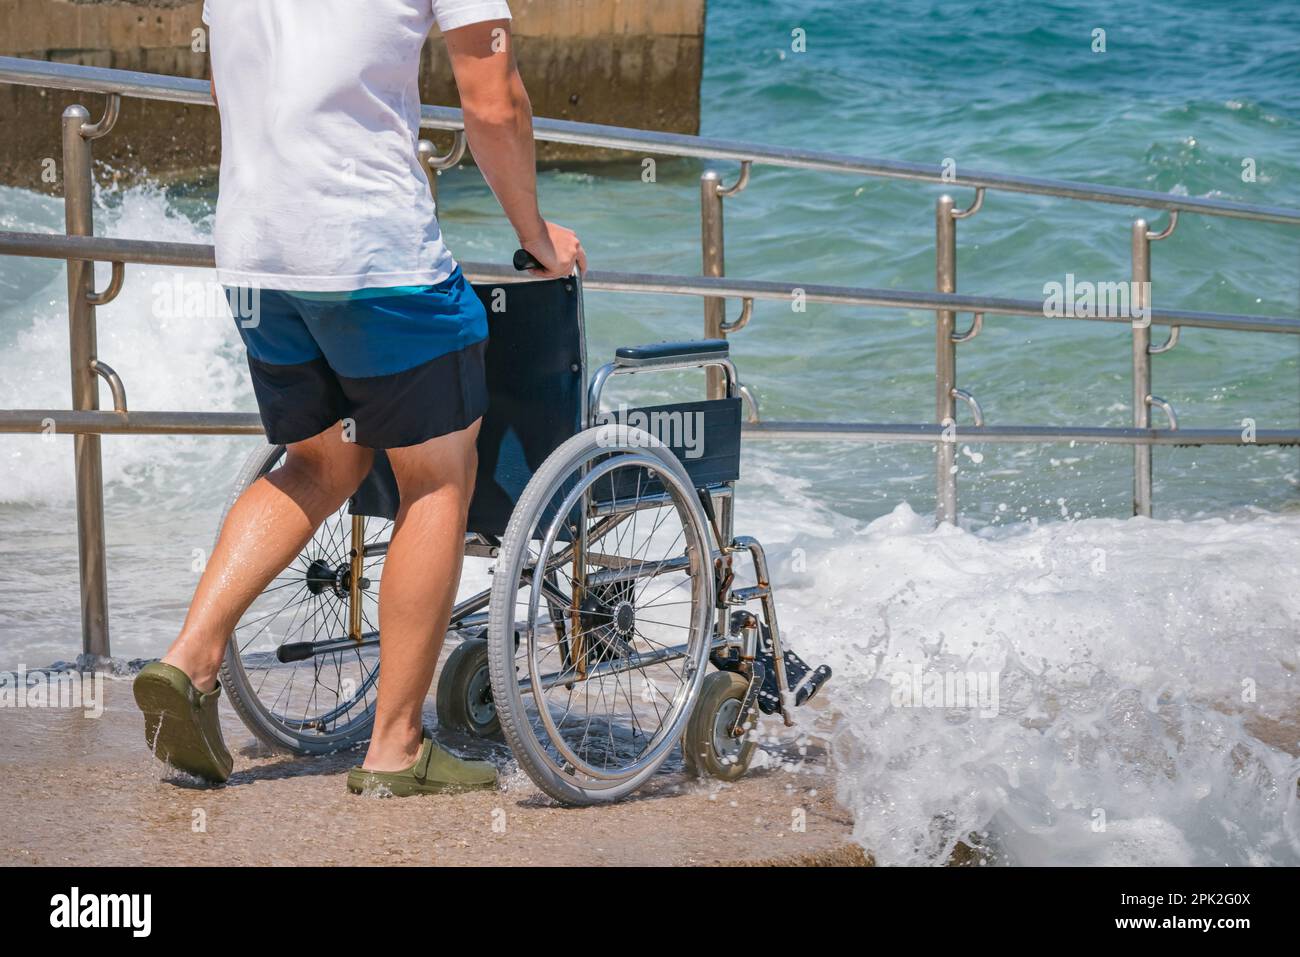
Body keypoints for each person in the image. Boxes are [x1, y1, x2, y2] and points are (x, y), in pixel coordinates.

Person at [132, 0, 585, 796]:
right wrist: (537, 235)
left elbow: (225, 88)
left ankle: (190, 659)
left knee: (317, 461)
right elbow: (493, 102)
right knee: (437, 477)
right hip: (374, 256)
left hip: (255, 252)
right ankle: (396, 747)